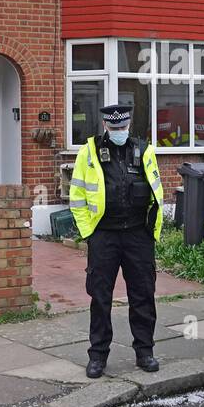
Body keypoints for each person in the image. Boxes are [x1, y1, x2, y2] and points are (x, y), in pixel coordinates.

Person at [69, 104, 165, 379]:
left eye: (122, 127)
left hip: (138, 235)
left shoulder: (144, 150)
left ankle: (145, 352)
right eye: (114, 128)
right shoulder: (89, 152)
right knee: (100, 297)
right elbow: (77, 197)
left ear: (129, 125)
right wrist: (89, 233)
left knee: (143, 295)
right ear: (105, 126)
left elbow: (157, 191)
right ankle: (97, 356)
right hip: (104, 235)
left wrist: (151, 231)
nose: (119, 131)